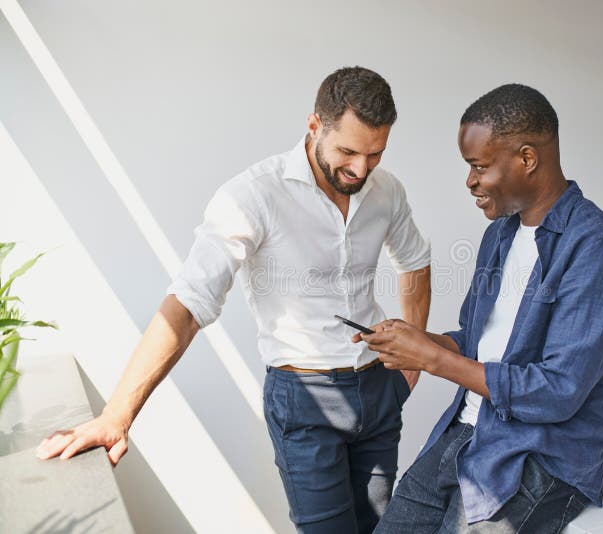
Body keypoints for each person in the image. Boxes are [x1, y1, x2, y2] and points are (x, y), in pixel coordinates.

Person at [36, 66, 432, 534]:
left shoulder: (387, 191)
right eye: (347, 151)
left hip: (377, 388)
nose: (360, 169)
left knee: (381, 528)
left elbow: (415, 261)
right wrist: (117, 414)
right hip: (304, 401)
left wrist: (415, 355)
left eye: (375, 154)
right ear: (314, 126)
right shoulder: (253, 196)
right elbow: (188, 304)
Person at [357, 84, 603, 533]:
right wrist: (415, 341)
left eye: (479, 166)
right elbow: (476, 341)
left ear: (527, 158)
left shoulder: (598, 248)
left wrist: (433, 360)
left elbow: (557, 390)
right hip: (465, 434)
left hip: (539, 456)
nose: (470, 181)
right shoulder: (502, 235)